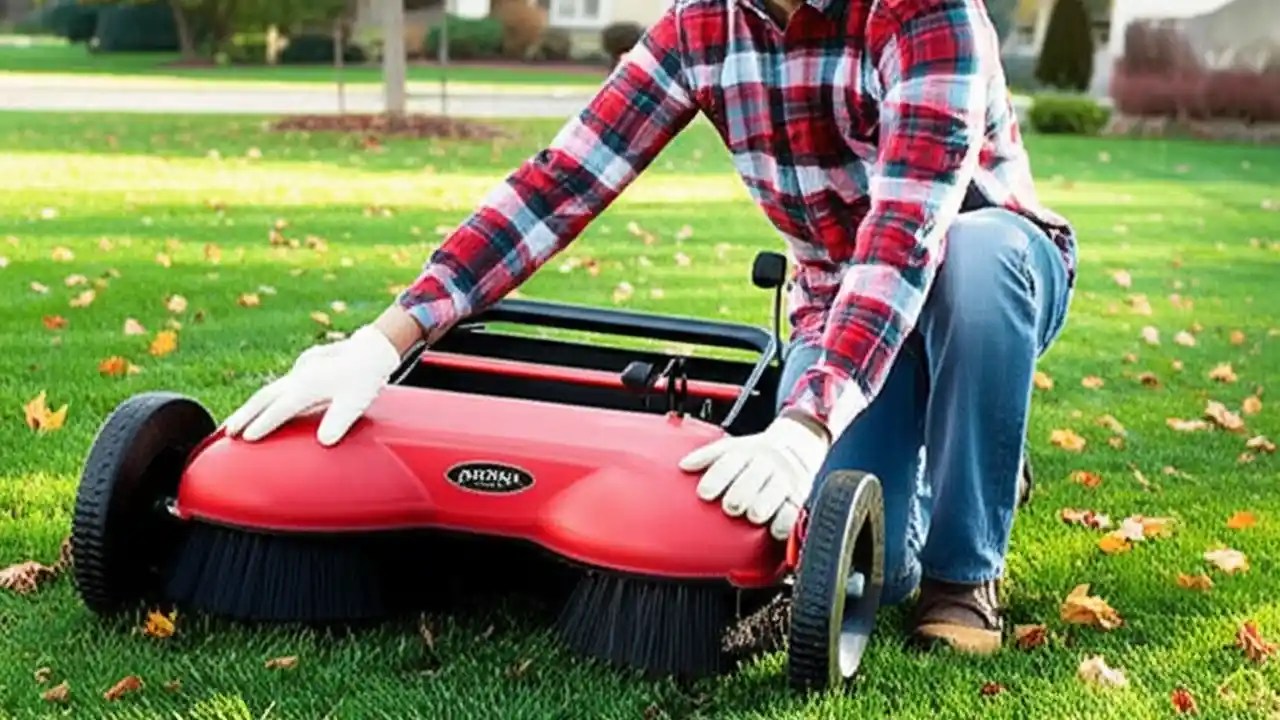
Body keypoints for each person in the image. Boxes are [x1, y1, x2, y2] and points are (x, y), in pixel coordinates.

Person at [223, 0, 1076, 656]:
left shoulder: (927, 16)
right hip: (834, 297)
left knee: (973, 260)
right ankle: (967, 443)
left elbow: (905, 241)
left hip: (985, 266)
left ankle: (967, 577)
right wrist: (387, 338)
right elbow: (560, 183)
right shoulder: (701, 26)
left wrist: (804, 425)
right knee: (874, 569)